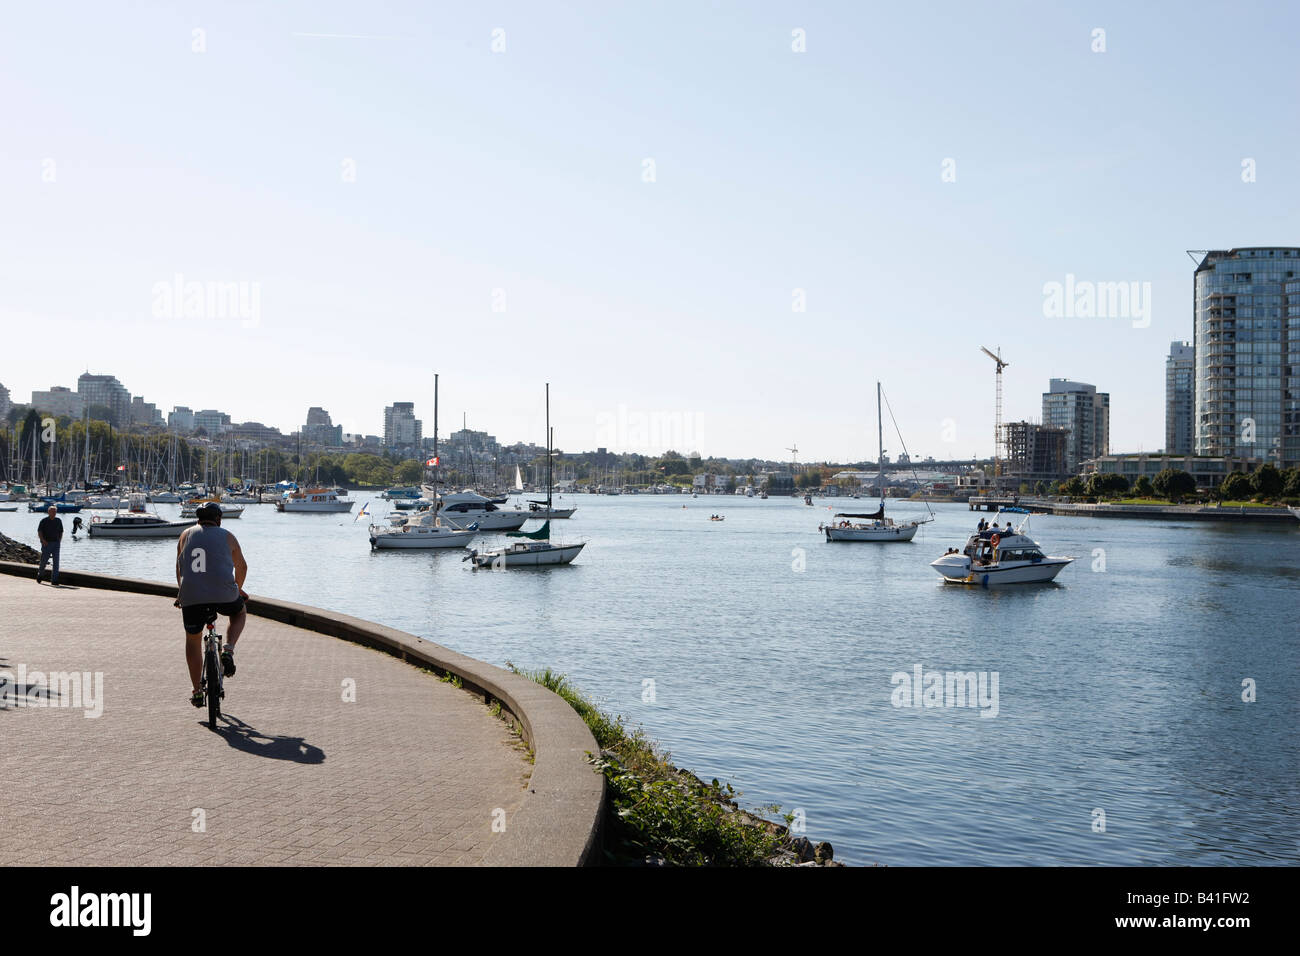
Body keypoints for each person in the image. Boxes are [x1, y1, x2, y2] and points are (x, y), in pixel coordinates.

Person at [175, 502, 249, 709]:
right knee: (239, 612)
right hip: (224, 593)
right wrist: (238, 589)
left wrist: (181, 593)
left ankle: (197, 691)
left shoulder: (185, 535)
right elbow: (242, 566)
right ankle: (228, 648)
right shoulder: (228, 536)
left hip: (191, 596)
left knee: (193, 639)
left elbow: (179, 568)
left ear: (198, 519)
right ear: (219, 519)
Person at [37, 505, 63, 585]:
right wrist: (42, 540)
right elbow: (39, 531)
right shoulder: (44, 521)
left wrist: (59, 540)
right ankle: (40, 575)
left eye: (55, 511)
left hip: (56, 544)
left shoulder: (58, 520)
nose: (54, 513)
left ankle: (54, 580)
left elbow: (61, 531)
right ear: (48, 512)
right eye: (52, 511)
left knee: (56, 562)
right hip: (46, 544)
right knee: (44, 561)